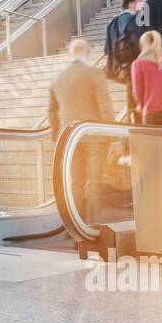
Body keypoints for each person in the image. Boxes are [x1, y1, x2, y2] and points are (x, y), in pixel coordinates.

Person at [48, 38, 115, 221]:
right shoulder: (94, 74)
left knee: (75, 183)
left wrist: (57, 136)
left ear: (71, 54)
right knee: (95, 183)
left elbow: (52, 112)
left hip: (69, 139)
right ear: (87, 52)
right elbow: (105, 107)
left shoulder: (57, 78)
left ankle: (75, 228)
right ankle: (93, 226)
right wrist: (113, 136)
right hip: (94, 137)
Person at [104, 0, 146, 120]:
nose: (143, 2)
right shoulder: (134, 20)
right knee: (136, 96)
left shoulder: (112, 23)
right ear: (131, 4)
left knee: (131, 95)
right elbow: (140, 43)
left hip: (120, 66)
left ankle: (131, 121)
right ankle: (136, 125)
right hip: (134, 63)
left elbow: (107, 49)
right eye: (140, 0)